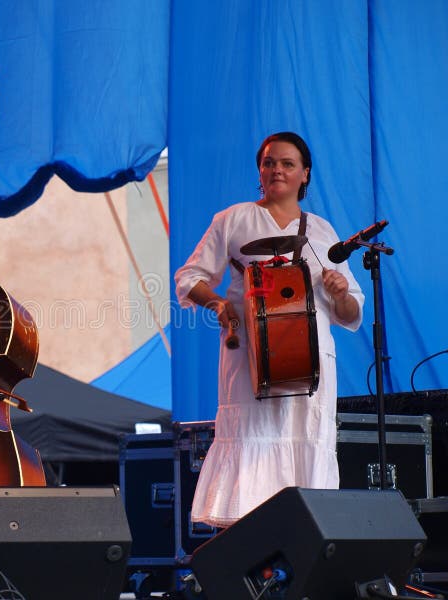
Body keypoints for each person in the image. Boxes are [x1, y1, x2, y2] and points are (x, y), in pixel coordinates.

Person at [174, 131, 365, 528]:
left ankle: (305, 539)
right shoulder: (232, 219)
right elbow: (188, 278)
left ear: (305, 174)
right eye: (269, 163)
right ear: (260, 171)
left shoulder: (323, 231)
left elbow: (350, 313)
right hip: (251, 356)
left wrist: (340, 291)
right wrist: (219, 304)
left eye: (287, 163)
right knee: (253, 443)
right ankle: (250, 545)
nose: (277, 169)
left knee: (305, 445)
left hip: (310, 361)